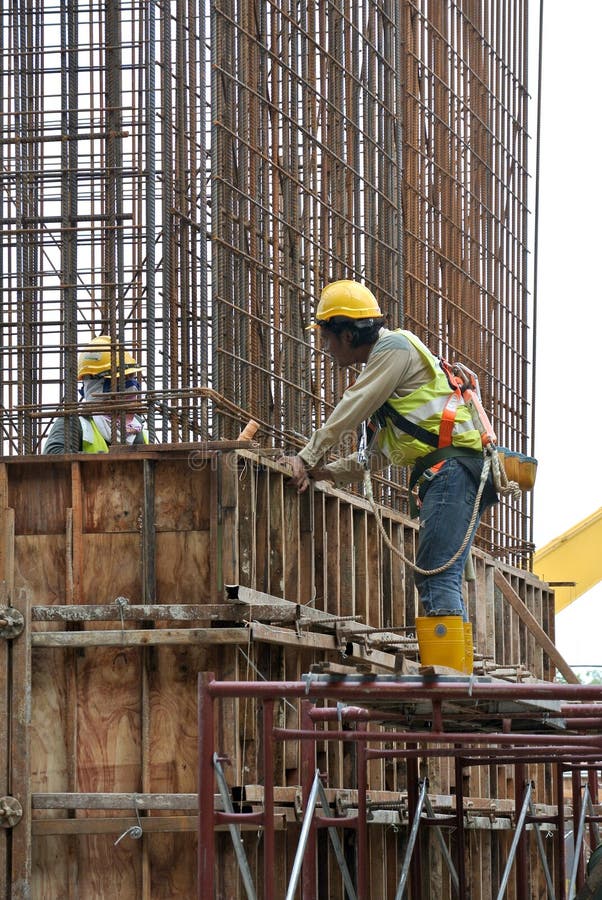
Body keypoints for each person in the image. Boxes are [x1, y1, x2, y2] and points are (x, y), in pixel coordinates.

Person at [285, 279, 498, 671]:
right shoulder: (393, 380)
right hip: (454, 472)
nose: (325, 347)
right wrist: (325, 472)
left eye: (327, 337)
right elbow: (378, 457)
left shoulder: (393, 349)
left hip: (453, 471)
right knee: (443, 576)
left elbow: (355, 402)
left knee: (435, 577)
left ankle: (452, 680)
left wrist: (308, 454)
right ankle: (458, 672)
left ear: (348, 333)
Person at [43, 335, 149, 454]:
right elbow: (52, 456)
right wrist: (102, 461)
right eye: (122, 379)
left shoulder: (138, 429)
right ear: (96, 385)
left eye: (132, 377)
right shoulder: (76, 423)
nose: (132, 387)